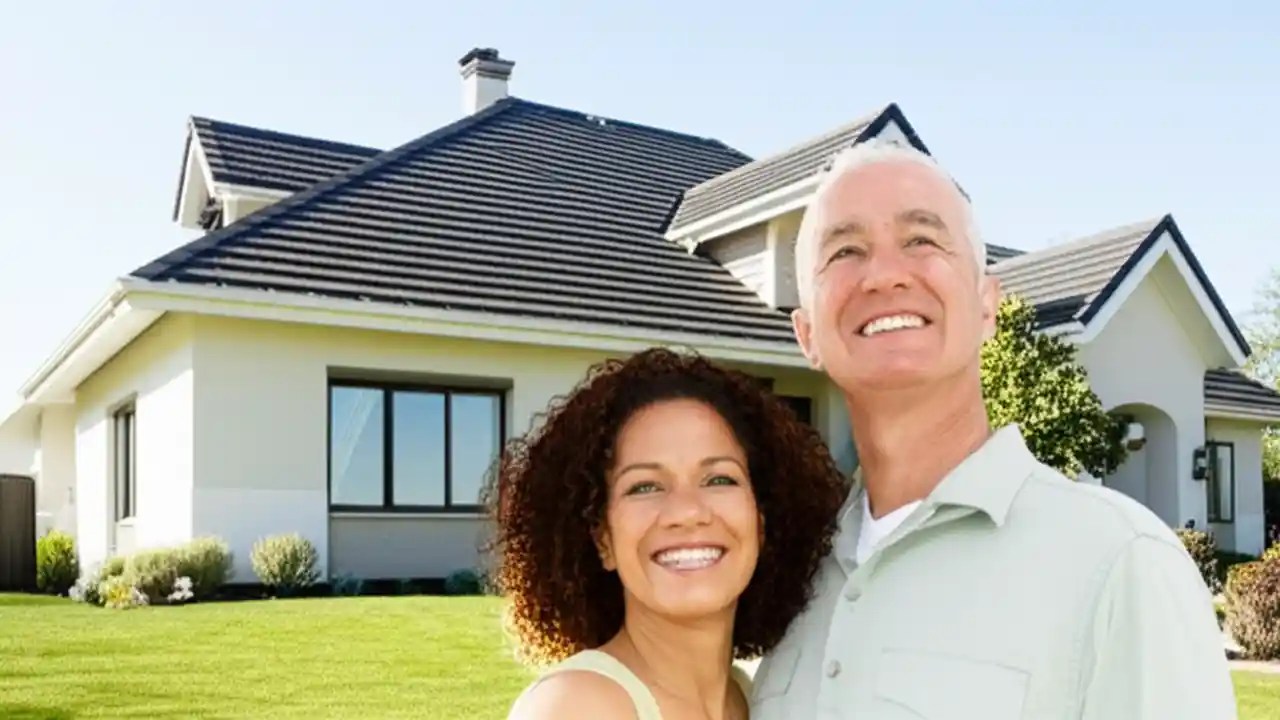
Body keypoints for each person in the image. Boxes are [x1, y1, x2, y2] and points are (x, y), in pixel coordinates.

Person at [748, 139, 1237, 719]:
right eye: (845, 250)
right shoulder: (787, 576)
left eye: (921, 240)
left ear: (987, 307)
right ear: (806, 336)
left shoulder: (1121, 561)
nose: (882, 274)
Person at [486, 348, 848, 720]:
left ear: (762, 522)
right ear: (602, 539)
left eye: (719, 479)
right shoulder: (576, 707)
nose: (687, 511)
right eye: (644, 486)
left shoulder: (754, 697)